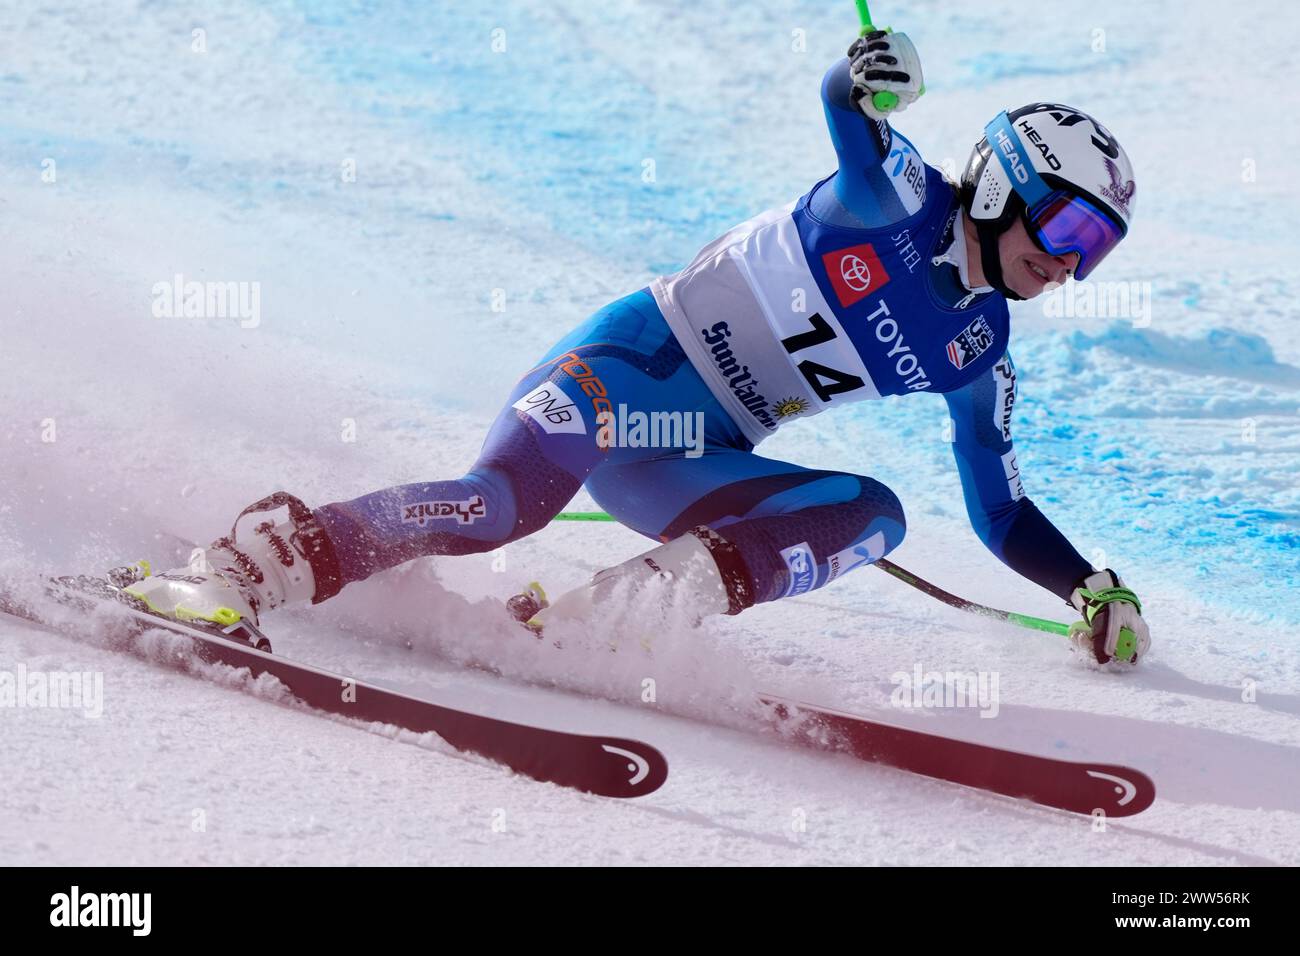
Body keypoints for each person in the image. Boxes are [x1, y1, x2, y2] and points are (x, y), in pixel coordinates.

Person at [126, 29, 1150, 666]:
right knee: (498, 506)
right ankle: (248, 561)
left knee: (873, 514)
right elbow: (847, 109)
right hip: (629, 374)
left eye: (1093, 250)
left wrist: (1087, 588)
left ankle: (589, 629)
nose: (1069, 263)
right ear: (1002, 182)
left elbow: (1000, 505)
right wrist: (860, 73)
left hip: (686, 456)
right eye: (1066, 229)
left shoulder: (980, 345)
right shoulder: (900, 197)